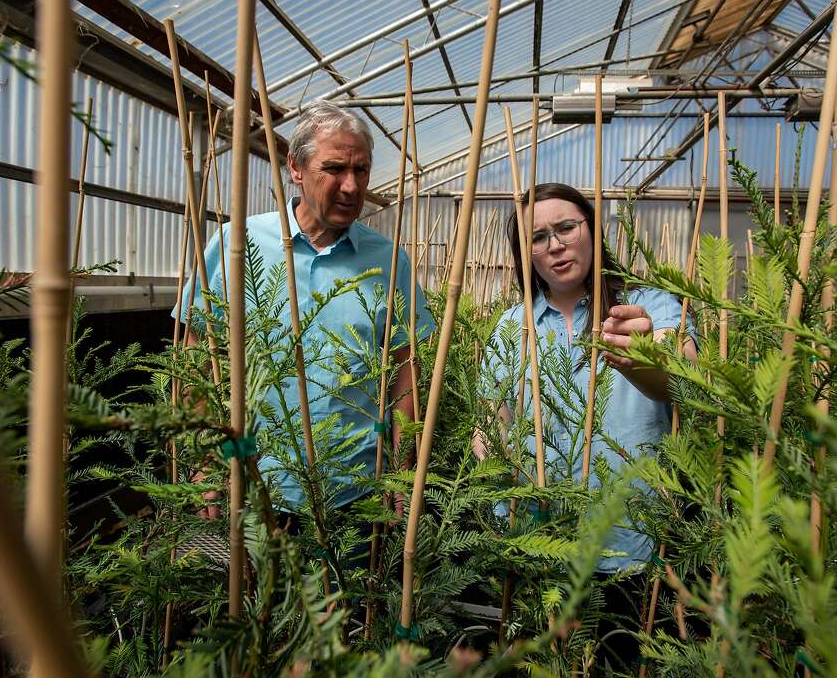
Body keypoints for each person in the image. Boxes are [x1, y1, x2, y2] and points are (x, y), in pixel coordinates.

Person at [176, 100, 435, 525]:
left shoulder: (389, 261)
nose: (352, 187)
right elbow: (197, 357)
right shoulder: (238, 242)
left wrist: (402, 471)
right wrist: (207, 457)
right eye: (334, 169)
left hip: (356, 489)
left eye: (362, 170)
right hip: (254, 480)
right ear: (295, 167)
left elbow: (406, 369)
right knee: (262, 590)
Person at [474, 182, 696, 668]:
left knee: (622, 660)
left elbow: (682, 380)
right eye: (537, 237)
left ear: (593, 232)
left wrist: (645, 357)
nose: (553, 245)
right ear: (524, 254)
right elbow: (490, 427)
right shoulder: (513, 325)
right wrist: (501, 507)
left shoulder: (648, 307)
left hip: (631, 543)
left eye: (566, 227)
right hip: (538, 544)